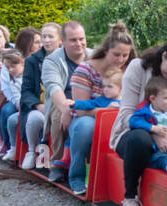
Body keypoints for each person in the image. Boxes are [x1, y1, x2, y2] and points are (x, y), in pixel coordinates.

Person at [111, 36, 167, 206]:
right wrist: (155, 132)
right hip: (132, 134)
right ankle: (130, 198)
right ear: (164, 56)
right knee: (140, 139)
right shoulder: (138, 68)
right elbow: (126, 114)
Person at [62, 32, 134, 194]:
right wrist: (105, 112)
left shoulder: (128, 70)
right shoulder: (86, 69)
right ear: (106, 50)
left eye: (125, 55)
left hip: (120, 117)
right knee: (86, 127)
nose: (121, 59)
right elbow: (80, 110)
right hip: (88, 117)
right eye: (116, 54)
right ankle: (77, 176)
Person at [120, 77, 167, 206]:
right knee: (160, 158)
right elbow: (133, 121)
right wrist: (152, 128)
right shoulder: (145, 112)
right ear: (153, 99)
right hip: (156, 150)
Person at [41, 21, 88, 179]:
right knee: (57, 116)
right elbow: (54, 88)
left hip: (88, 100)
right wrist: (65, 109)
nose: (79, 43)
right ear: (63, 41)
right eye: (73, 40)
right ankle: (57, 162)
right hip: (63, 100)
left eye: (81, 39)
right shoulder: (52, 61)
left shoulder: (94, 56)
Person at [18, 22, 61, 170]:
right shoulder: (32, 61)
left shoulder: (65, 58)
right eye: (44, 36)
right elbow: (26, 90)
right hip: (40, 104)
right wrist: (38, 105)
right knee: (36, 118)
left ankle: (59, 159)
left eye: (51, 36)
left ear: (60, 39)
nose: (46, 40)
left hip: (60, 105)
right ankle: (31, 151)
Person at [0, 49, 25, 161]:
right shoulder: (12, 79)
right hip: (17, 102)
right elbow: (11, 92)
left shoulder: (29, 75)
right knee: (7, 112)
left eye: (13, 67)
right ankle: (10, 145)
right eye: (8, 68)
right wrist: (17, 104)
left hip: (33, 104)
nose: (10, 70)